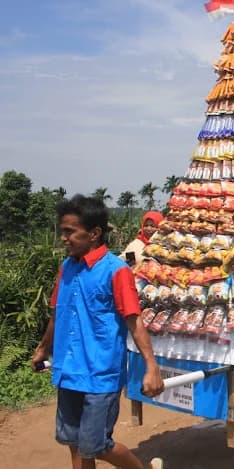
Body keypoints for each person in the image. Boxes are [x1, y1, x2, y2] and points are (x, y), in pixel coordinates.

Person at [31, 195, 165, 469]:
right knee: (74, 442)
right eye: (63, 231)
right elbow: (59, 313)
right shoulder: (67, 268)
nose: (64, 238)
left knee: (97, 445)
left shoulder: (115, 271)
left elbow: (134, 321)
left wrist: (152, 366)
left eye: (70, 231)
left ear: (93, 234)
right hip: (69, 371)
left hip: (100, 374)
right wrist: (44, 348)